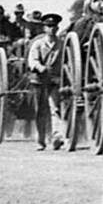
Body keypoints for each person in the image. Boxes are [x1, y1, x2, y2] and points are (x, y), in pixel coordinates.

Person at [26, 13, 65, 151]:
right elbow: (32, 60)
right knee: (40, 111)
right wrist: (40, 67)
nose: (52, 28)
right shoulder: (38, 43)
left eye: (54, 26)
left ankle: (56, 137)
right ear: (44, 28)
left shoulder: (61, 44)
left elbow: (65, 61)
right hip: (39, 81)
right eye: (49, 26)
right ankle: (41, 140)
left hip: (54, 81)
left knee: (55, 109)